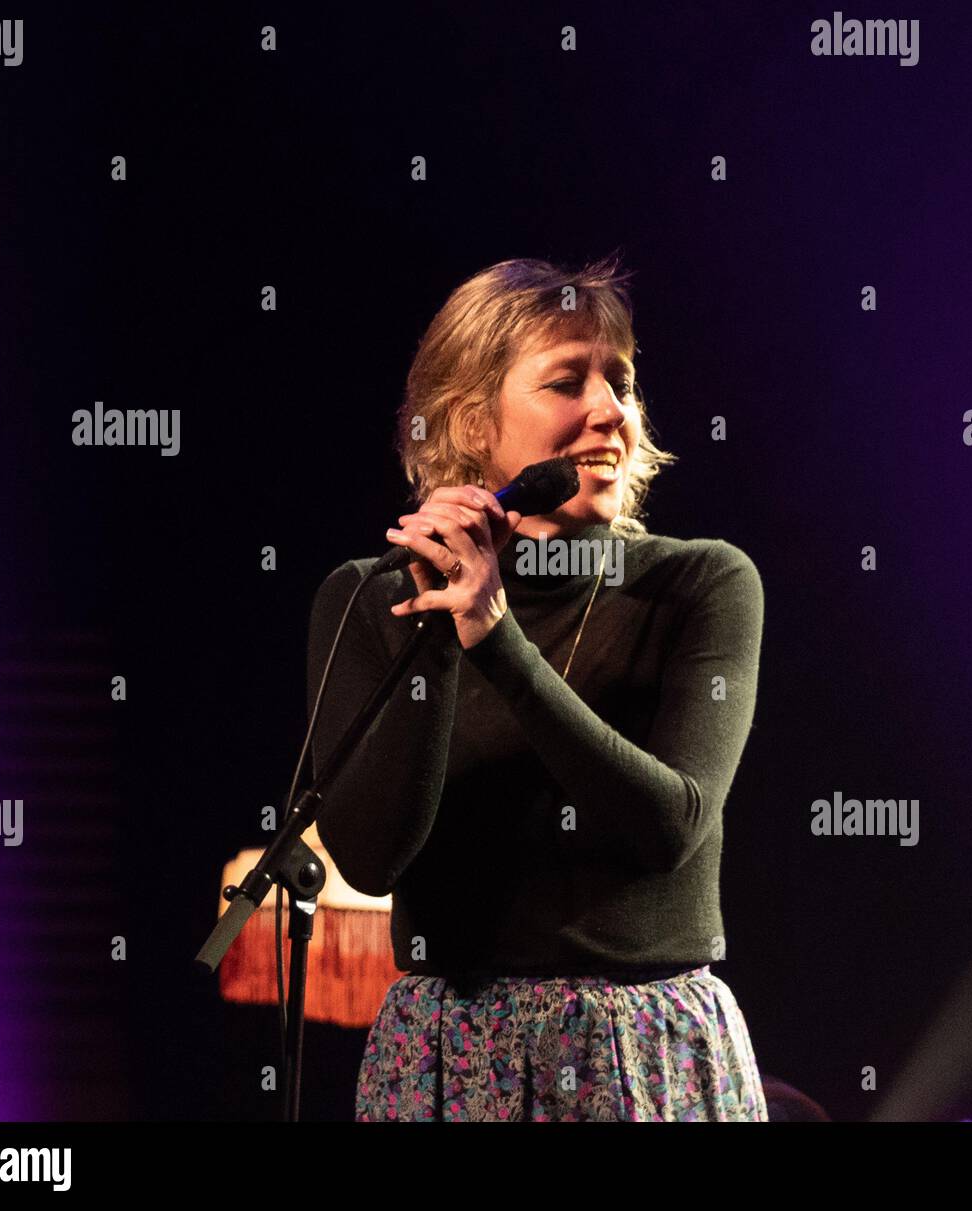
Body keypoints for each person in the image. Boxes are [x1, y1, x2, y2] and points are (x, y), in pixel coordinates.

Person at [307, 255, 768, 1121]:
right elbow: (368, 857)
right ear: (471, 420)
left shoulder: (699, 584)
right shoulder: (372, 600)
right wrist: (441, 636)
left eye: (619, 382)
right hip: (447, 1052)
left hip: (640, 1050)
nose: (611, 411)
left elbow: (669, 824)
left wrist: (498, 639)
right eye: (567, 382)